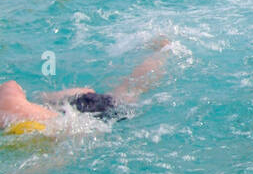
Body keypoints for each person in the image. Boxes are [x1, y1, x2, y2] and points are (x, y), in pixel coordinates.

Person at [0, 38, 171, 135]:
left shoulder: (7, 104)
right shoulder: (7, 102)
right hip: (69, 114)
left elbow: (10, 86)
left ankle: (163, 50)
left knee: (129, 90)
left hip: (90, 116)